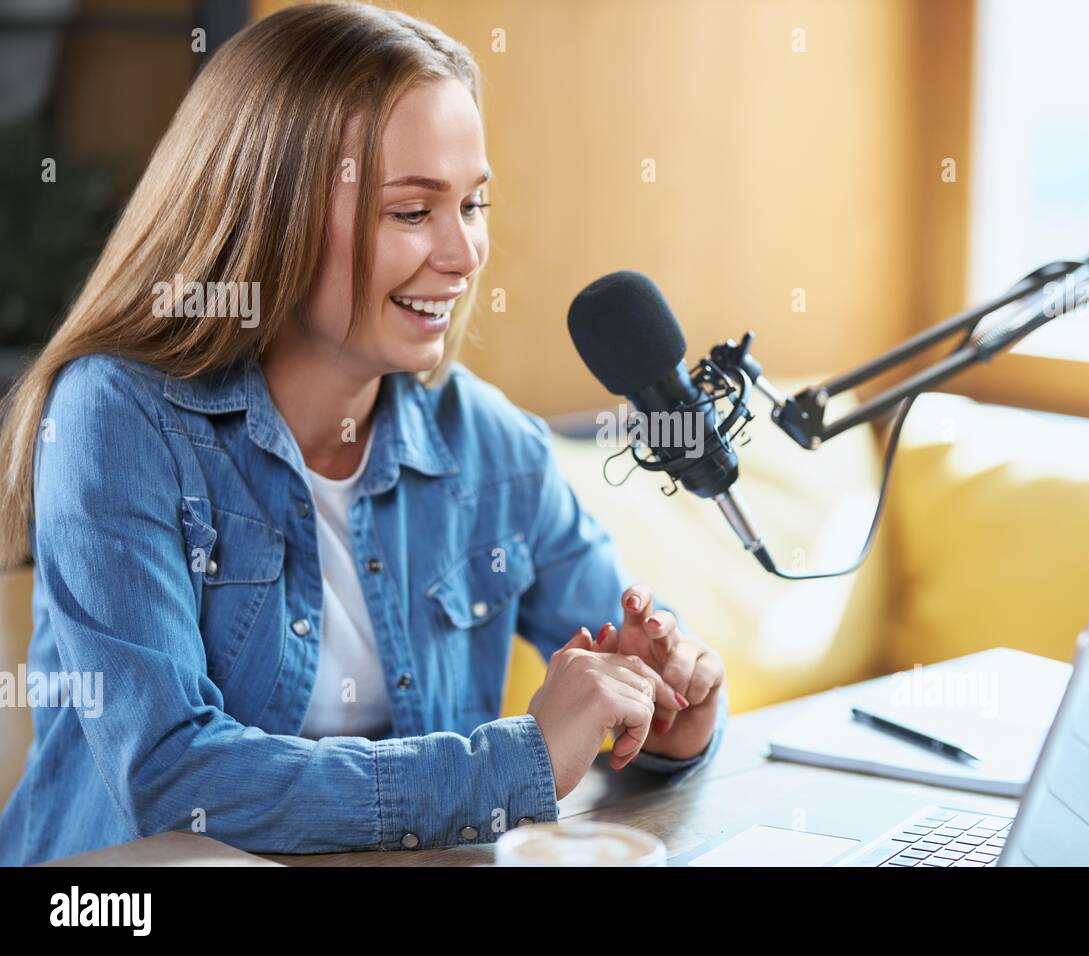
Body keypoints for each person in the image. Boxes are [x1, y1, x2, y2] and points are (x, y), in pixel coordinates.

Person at [0, 2, 726, 866]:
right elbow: (172, 777)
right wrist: (513, 761)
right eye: (413, 212)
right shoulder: (115, 420)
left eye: (475, 202)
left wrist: (671, 705)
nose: (464, 254)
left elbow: (627, 678)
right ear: (269, 213)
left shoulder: (489, 445)